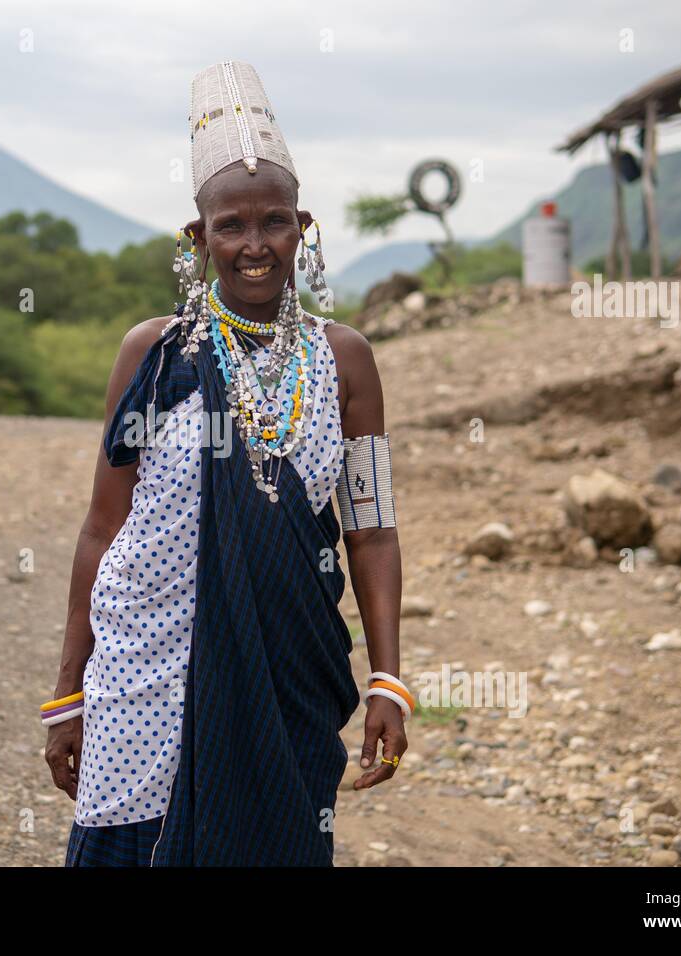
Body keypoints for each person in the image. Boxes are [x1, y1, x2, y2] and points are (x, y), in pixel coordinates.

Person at [44, 62, 410, 866]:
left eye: (274, 222)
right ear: (198, 235)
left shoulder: (347, 361)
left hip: (287, 674)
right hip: (146, 672)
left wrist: (389, 679)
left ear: (302, 228)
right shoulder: (155, 354)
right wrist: (68, 689)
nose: (253, 247)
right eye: (230, 227)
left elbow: (372, 529)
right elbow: (103, 530)